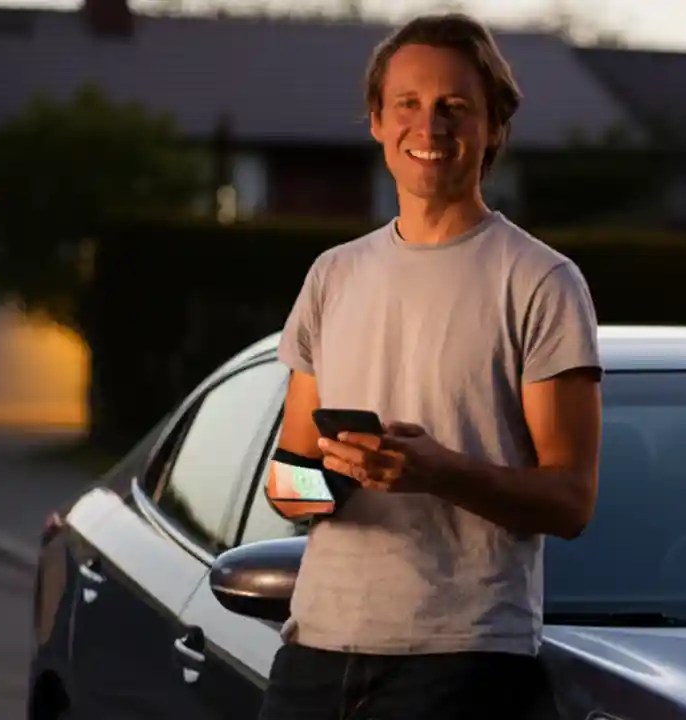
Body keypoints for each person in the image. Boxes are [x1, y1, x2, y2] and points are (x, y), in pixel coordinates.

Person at [257, 13, 603, 720]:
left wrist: (435, 470)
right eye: (408, 105)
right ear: (378, 122)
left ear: (493, 127)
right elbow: (290, 482)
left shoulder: (540, 282)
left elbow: (571, 501)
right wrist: (334, 476)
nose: (430, 126)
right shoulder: (333, 276)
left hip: (465, 659)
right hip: (316, 648)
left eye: (455, 107)